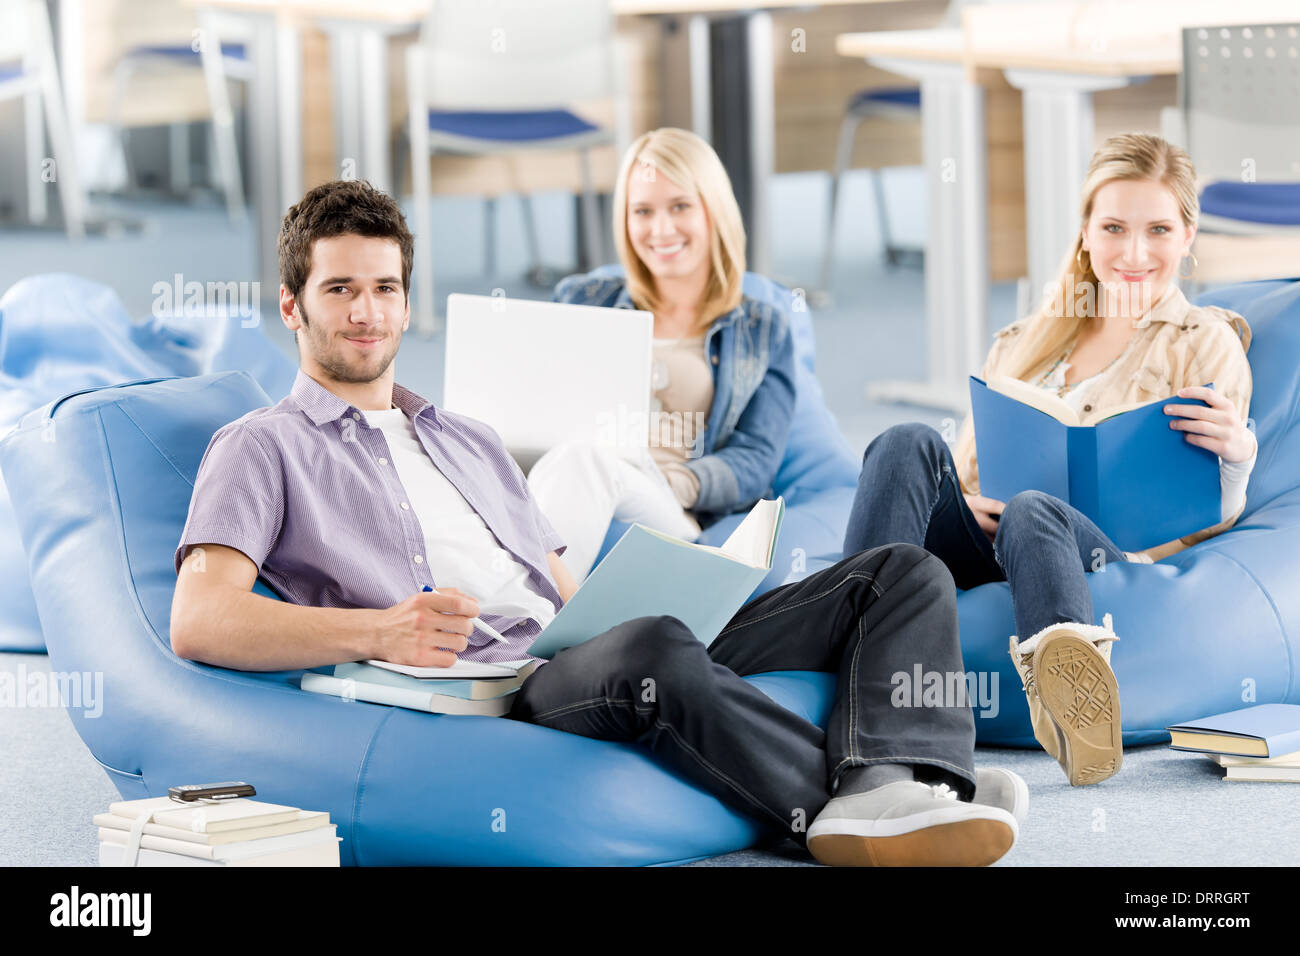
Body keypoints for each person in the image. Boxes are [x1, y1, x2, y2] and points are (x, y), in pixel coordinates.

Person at [169, 178, 1028, 867]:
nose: (367, 312)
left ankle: (896, 783)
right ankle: (866, 806)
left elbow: (558, 579)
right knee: (652, 648)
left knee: (899, 573)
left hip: (583, 634)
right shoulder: (261, 446)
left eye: (386, 288)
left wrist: (663, 594)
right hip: (505, 679)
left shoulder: (462, 435)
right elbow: (199, 619)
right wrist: (383, 630)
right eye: (340, 290)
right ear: (292, 306)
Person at [843, 133, 1256, 787]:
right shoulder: (1026, 341)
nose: (1134, 252)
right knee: (904, 441)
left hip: (1101, 553)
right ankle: (845, 646)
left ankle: (1072, 699)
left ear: (1187, 235)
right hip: (987, 540)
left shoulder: (1203, 343)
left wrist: (1236, 462)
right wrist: (972, 502)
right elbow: (964, 469)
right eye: (1114, 227)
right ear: (1086, 232)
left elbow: (1212, 520)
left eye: (1158, 229)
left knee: (1037, 511)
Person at [527, 128, 796, 581]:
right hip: (566, 478)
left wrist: (678, 484)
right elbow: (537, 403)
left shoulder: (760, 327)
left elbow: (756, 456)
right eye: (643, 211)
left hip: (668, 507)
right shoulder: (581, 299)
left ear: (714, 211)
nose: (661, 229)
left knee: (586, 460)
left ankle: (521, 629)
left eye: (680, 207)